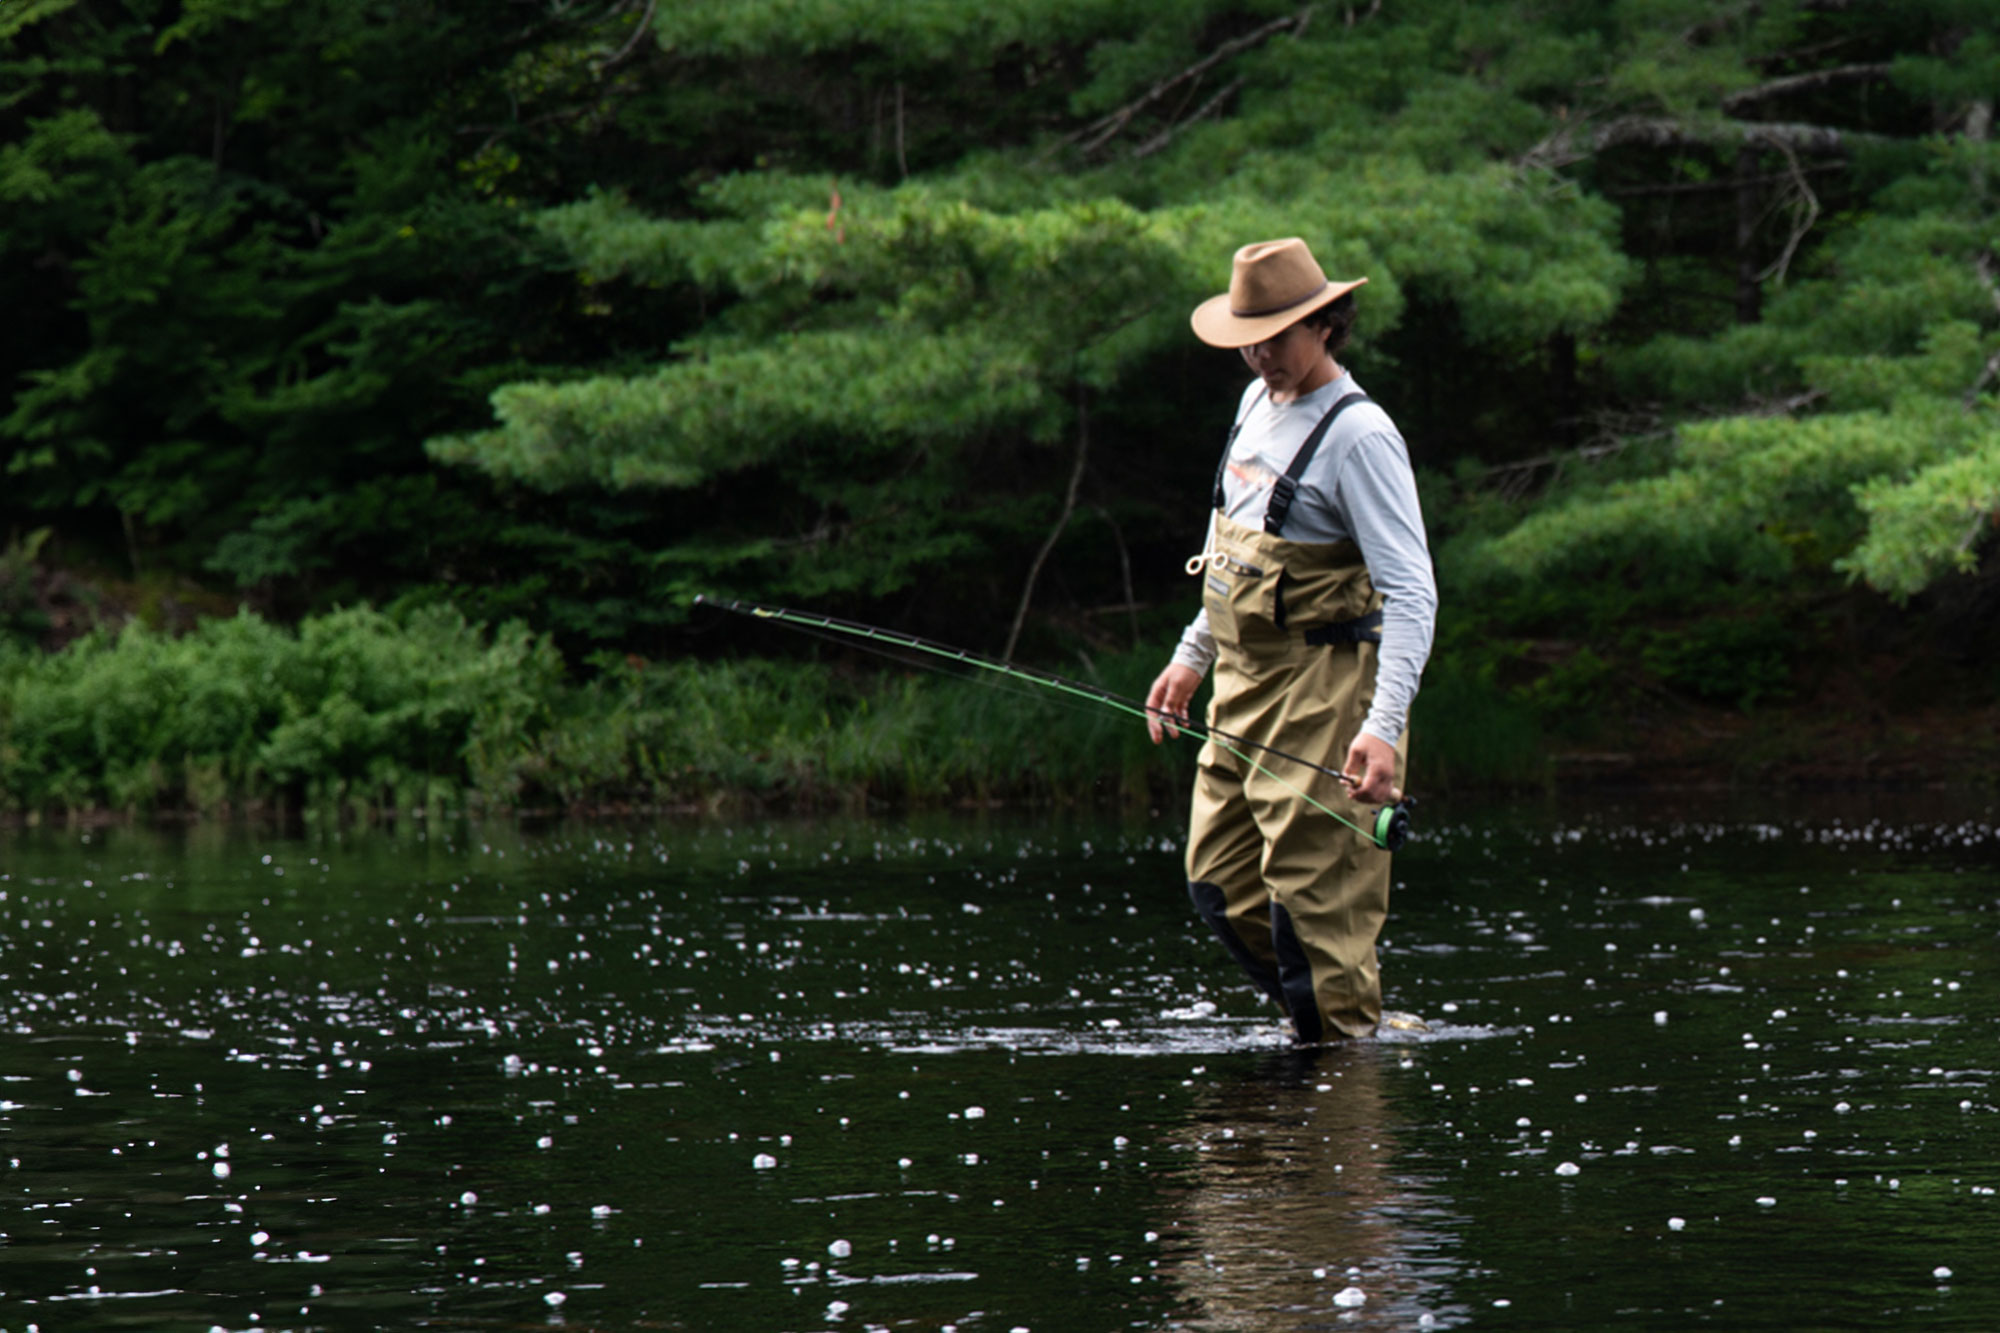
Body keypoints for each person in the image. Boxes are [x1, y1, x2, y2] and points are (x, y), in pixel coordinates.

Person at [1145, 237, 1437, 1044]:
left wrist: (1382, 725)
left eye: (1277, 336)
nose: (1261, 354)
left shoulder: (1360, 436)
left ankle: (1342, 1093)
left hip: (1327, 696)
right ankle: (1342, 1023)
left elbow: (1413, 591)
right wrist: (1191, 651)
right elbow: (1231, 544)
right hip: (1243, 688)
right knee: (1219, 883)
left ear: (1327, 325)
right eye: (1249, 337)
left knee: (1315, 916)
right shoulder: (1253, 404)